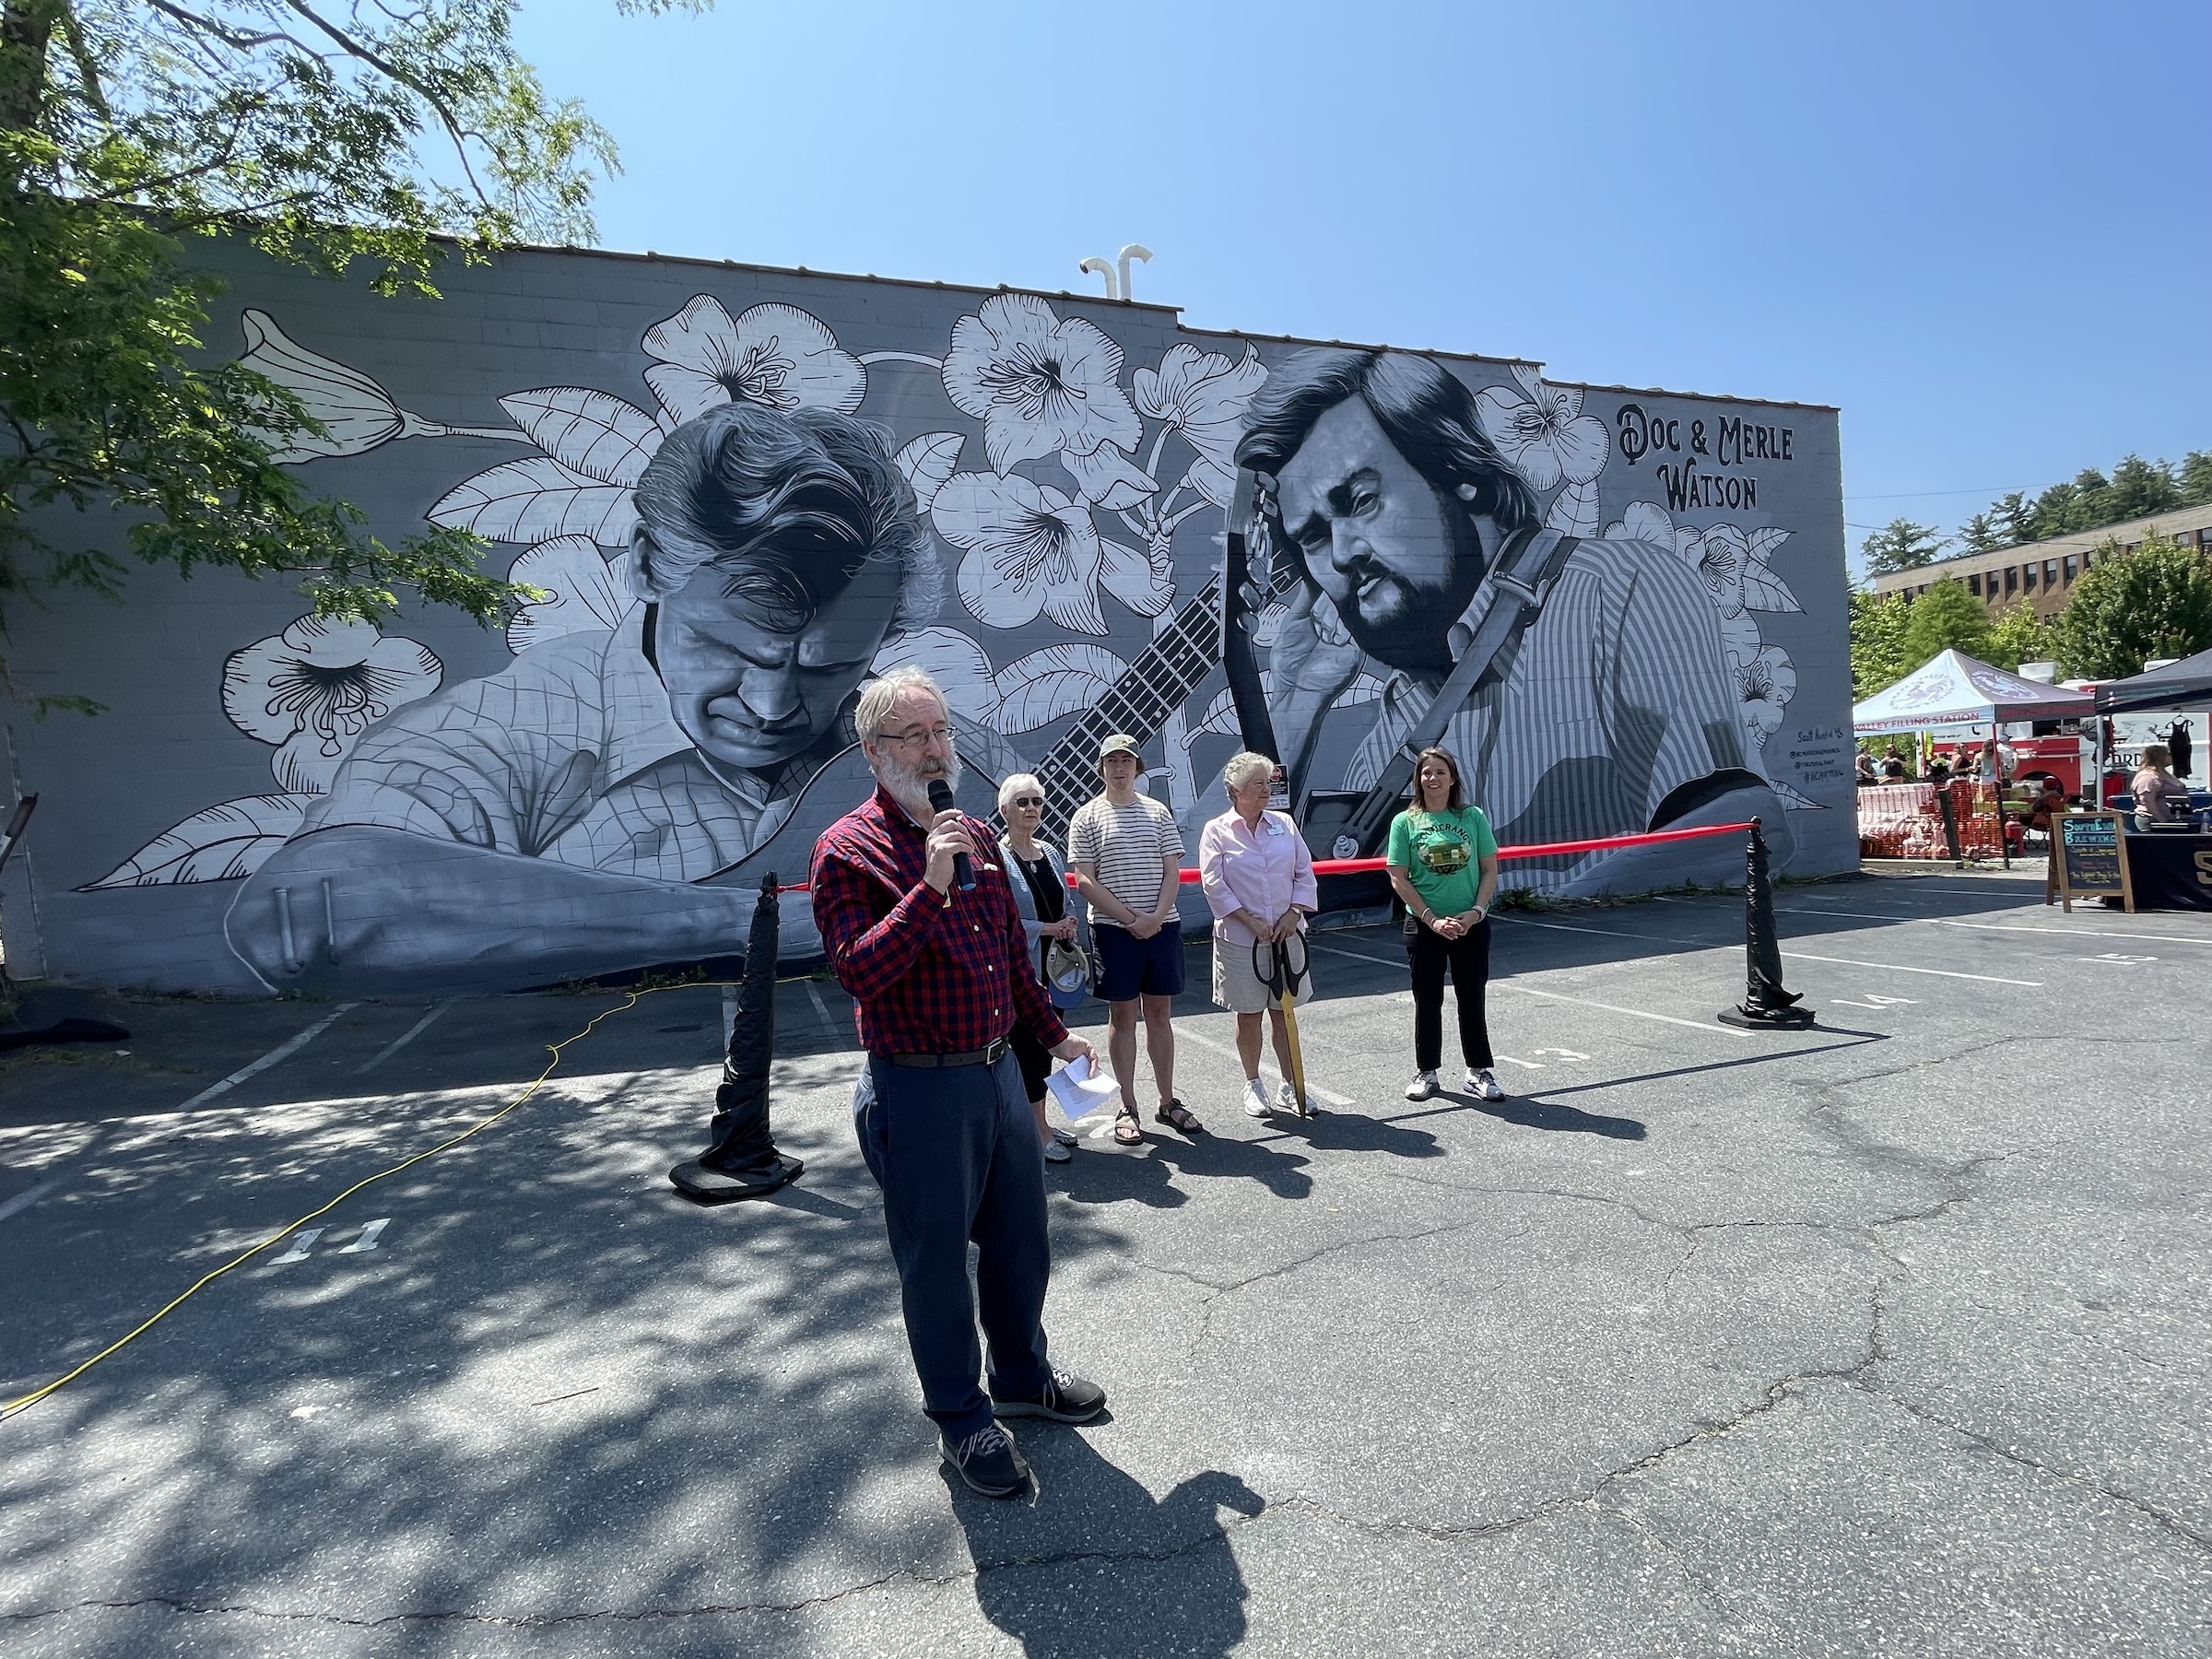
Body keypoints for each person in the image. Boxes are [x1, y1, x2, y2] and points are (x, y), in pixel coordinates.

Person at [228, 400, 939, 994]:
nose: (772, 705)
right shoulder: (510, 727)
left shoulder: (919, 737)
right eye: (729, 649)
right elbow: (315, 908)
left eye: (831, 666)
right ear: (647, 564)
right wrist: (772, 923)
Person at [1234, 347, 1788, 897]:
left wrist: (1542, 913)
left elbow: (1738, 822)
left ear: (1455, 469)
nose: (1340, 554)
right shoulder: (1395, 727)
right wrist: (1297, 705)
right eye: (1311, 535)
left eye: (1361, 500)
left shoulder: (1612, 589)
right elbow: (1218, 882)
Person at [810, 666, 1105, 1500]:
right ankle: (962, 1418)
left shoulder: (975, 831)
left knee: (1021, 1242)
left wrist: (1053, 1036)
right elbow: (860, 973)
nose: (937, 748)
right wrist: (928, 891)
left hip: (997, 1075)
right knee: (936, 1264)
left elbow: (1008, 957)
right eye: (915, 735)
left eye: (941, 731)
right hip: (917, 1088)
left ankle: (1021, 1376)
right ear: (874, 752)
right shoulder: (846, 850)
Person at [1068, 735, 1199, 1145]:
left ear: (1137, 767)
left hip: (1162, 928)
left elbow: (1173, 871)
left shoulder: (1158, 813)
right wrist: (1130, 919)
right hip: (1112, 932)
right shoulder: (1086, 817)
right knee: (1122, 1018)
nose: (1119, 768)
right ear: (1101, 768)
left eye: (1126, 760)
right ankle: (1128, 1105)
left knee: (1160, 1015)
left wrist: (1156, 918)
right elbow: (1085, 879)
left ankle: (1167, 1101)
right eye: (1111, 761)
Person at [1198, 751, 1319, 1119]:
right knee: (1248, 1014)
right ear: (1236, 790)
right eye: (1258, 783)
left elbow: (1304, 872)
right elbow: (1213, 884)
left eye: (1268, 782)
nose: (1267, 789)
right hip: (1240, 940)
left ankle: (1290, 1083)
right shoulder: (1216, 829)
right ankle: (1253, 1084)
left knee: (1284, 1013)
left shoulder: (1284, 824)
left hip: (1288, 936)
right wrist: (1250, 922)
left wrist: (1293, 913)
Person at [1386, 747, 1503, 1103]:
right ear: (1417, 781)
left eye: (1440, 772)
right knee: (1427, 999)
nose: (1432, 779)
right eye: (1426, 773)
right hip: (1424, 927)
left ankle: (1478, 1071)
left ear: (1452, 779)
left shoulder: (1472, 817)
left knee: (1472, 996)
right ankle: (1427, 1071)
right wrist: (1431, 919)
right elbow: (1398, 876)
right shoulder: (1404, 822)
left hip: (1470, 925)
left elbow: (1489, 869)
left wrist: (1476, 912)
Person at [998, 771, 1084, 1165]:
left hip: (1057, 969)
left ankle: (1041, 1121)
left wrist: (1067, 922)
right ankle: (1037, 1130)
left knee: (1051, 1046)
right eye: (1022, 802)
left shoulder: (1049, 851)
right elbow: (1004, 920)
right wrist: (1047, 928)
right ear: (1005, 810)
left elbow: (1064, 900)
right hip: (1022, 972)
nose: (1031, 808)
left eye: (1036, 801)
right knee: (1030, 1051)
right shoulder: (996, 859)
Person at [2130, 744, 2192, 827]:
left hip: (2173, 819)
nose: (2171, 756)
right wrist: (2162, 821)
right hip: (2154, 821)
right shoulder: (2148, 777)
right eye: (2168, 754)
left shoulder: (2163, 773)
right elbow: (2147, 801)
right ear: (2160, 757)